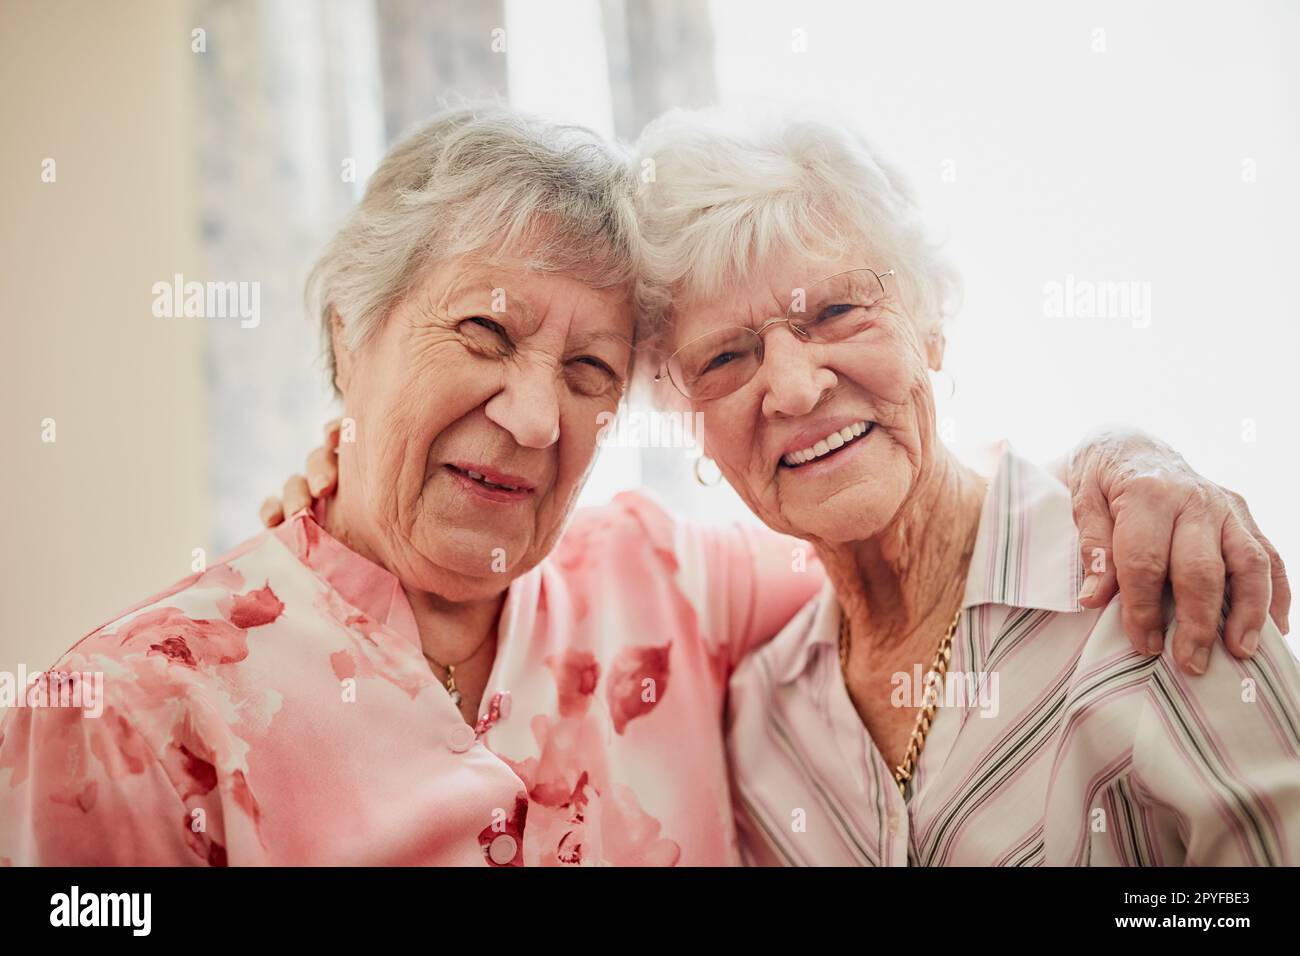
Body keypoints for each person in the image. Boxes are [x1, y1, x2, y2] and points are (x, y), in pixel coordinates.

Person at [0, 106, 1285, 867]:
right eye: (484, 336)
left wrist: (1129, 461)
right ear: (349, 334)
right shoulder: (120, 718)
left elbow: (912, 544)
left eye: (590, 368)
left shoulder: (665, 581)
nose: (529, 412)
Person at [627, 109, 1300, 864]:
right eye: (723, 359)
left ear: (929, 326)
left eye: (838, 310)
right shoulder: (757, 731)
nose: (792, 388)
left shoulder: (1147, 575)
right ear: (691, 426)